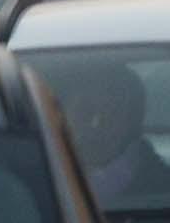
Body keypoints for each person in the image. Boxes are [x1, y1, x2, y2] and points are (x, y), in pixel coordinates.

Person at [49, 60, 159, 201]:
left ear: (132, 118)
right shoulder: (32, 188)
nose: (96, 123)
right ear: (60, 116)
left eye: (110, 112)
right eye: (86, 111)